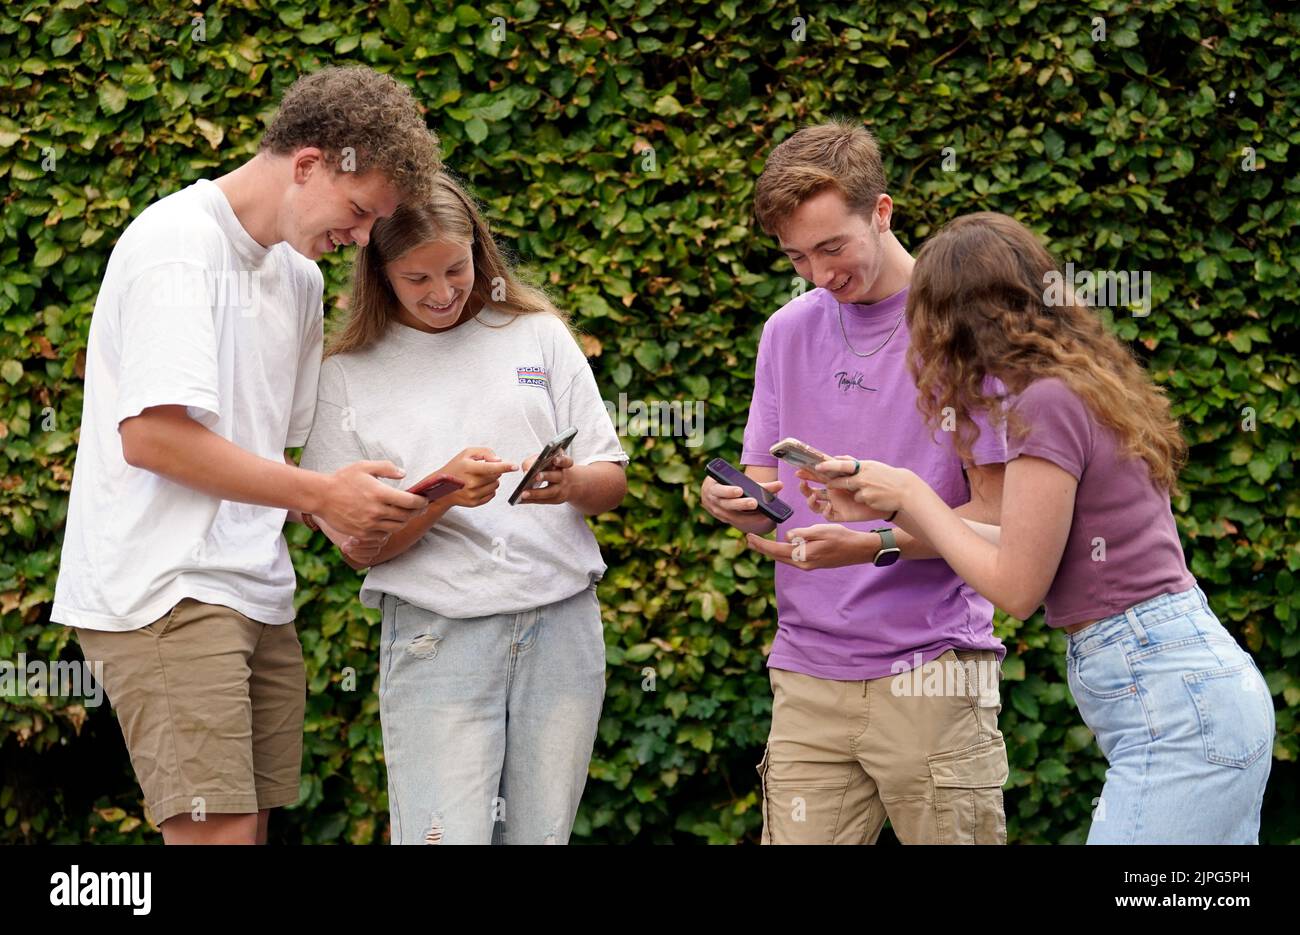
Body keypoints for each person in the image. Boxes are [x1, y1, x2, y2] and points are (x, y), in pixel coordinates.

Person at [51, 66, 440, 844]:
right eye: (359, 212)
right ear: (306, 164)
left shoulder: (296, 276)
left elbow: (272, 456)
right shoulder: (177, 245)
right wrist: (323, 494)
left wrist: (378, 509)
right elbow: (153, 437)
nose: (362, 238)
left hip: (256, 589)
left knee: (246, 830)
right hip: (166, 588)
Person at [805, 211, 1276, 843]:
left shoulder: (1042, 404)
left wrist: (913, 491)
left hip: (1176, 706)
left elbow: (1018, 586)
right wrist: (893, 513)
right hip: (1192, 686)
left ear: (956, 317)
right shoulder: (1077, 384)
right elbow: (1024, 540)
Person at [699, 121, 1010, 844]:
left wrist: (873, 544)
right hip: (806, 672)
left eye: (831, 247)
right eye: (796, 256)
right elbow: (764, 489)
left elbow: (998, 519)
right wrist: (740, 507)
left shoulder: (963, 330)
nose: (817, 274)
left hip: (934, 670)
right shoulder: (786, 331)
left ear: (882, 211)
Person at [300, 171, 628, 845]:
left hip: (560, 625)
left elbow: (611, 477)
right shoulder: (347, 372)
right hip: (438, 634)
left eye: (455, 268)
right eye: (416, 279)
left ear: (480, 250)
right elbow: (359, 547)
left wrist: (569, 484)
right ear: (379, 274)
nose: (443, 292)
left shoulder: (535, 334)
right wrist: (442, 493)